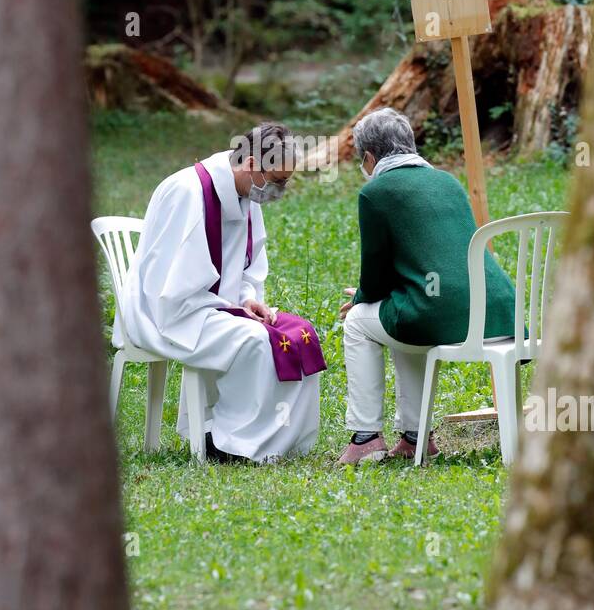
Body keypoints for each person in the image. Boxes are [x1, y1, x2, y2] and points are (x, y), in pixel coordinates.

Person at [122, 122, 324, 463]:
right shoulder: (187, 191)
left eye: (286, 181)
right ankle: (229, 443)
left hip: (215, 307)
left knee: (300, 333)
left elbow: (246, 266)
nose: (278, 190)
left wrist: (247, 298)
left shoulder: (247, 194)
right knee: (255, 341)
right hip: (169, 313)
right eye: (276, 181)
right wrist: (228, 307)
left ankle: (277, 440)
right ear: (249, 164)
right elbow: (167, 285)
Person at [337, 107, 516, 466]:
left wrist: (360, 299)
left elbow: (374, 274)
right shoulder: (447, 181)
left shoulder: (376, 192)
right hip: (498, 312)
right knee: (404, 313)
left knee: (358, 323)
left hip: (441, 314)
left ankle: (366, 437)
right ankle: (415, 437)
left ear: (369, 158)